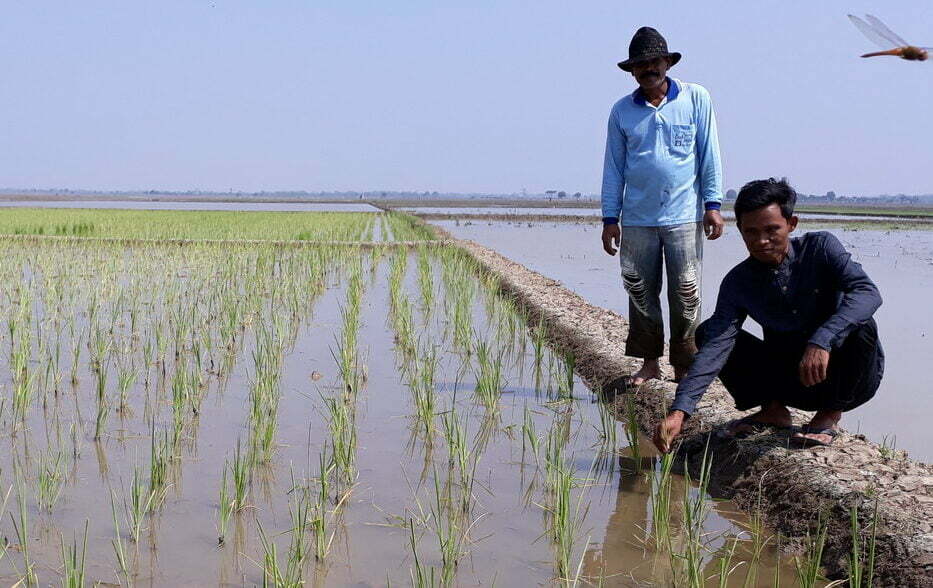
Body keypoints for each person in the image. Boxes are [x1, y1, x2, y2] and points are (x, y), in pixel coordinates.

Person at [653, 178, 884, 452]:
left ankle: (829, 415)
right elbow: (716, 346)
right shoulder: (738, 282)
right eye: (751, 232)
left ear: (791, 224)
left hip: (847, 380)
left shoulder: (821, 248)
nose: (761, 241)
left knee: (863, 325)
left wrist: (822, 340)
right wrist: (680, 412)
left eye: (772, 229)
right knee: (708, 331)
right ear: (739, 230)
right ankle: (773, 411)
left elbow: (868, 293)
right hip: (791, 379)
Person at [600, 26, 724, 388]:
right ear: (632, 71)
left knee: (686, 292)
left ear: (667, 63)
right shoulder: (622, 111)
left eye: (654, 61)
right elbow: (613, 167)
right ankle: (650, 362)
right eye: (640, 65)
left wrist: (712, 205)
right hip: (637, 218)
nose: (648, 69)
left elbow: (709, 154)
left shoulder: (696, 98)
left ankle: (684, 366)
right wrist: (610, 218)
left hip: (684, 215)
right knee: (639, 290)